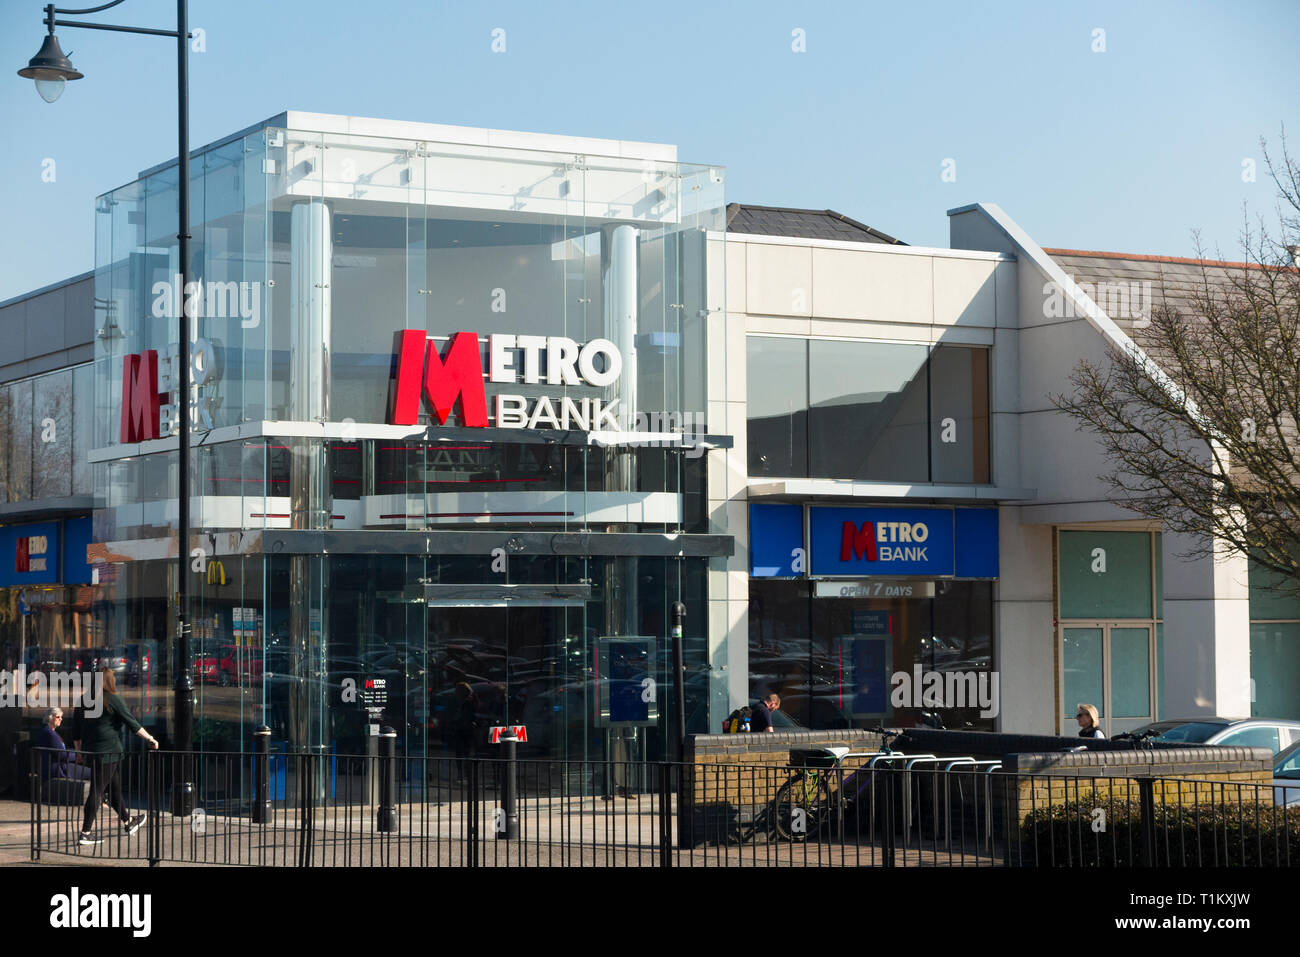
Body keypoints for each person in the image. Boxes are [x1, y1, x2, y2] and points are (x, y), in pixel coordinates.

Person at [73, 666, 158, 845]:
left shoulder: (84, 700)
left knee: (114, 789)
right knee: (97, 790)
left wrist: (79, 751)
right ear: (109, 681)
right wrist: (150, 738)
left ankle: (128, 822)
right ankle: (86, 832)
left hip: (92, 751)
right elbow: (132, 722)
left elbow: (76, 730)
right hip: (109, 751)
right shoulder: (112, 698)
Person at [33, 707, 92, 785]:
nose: (61, 719)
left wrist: (75, 753)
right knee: (92, 773)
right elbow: (62, 755)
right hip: (58, 769)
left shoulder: (46, 731)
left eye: (61, 717)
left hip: (56, 766)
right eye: (58, 717)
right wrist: (78, 755)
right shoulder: (50, 734)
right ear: (50, 717)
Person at [448, 682, 478, 783]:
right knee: (462, 752)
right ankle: (462, 774)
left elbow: (471, 714)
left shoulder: (469, 701)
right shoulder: (459, 702)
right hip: (461, 729)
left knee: (465, 752)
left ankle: (464, 774)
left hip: (466, 729)